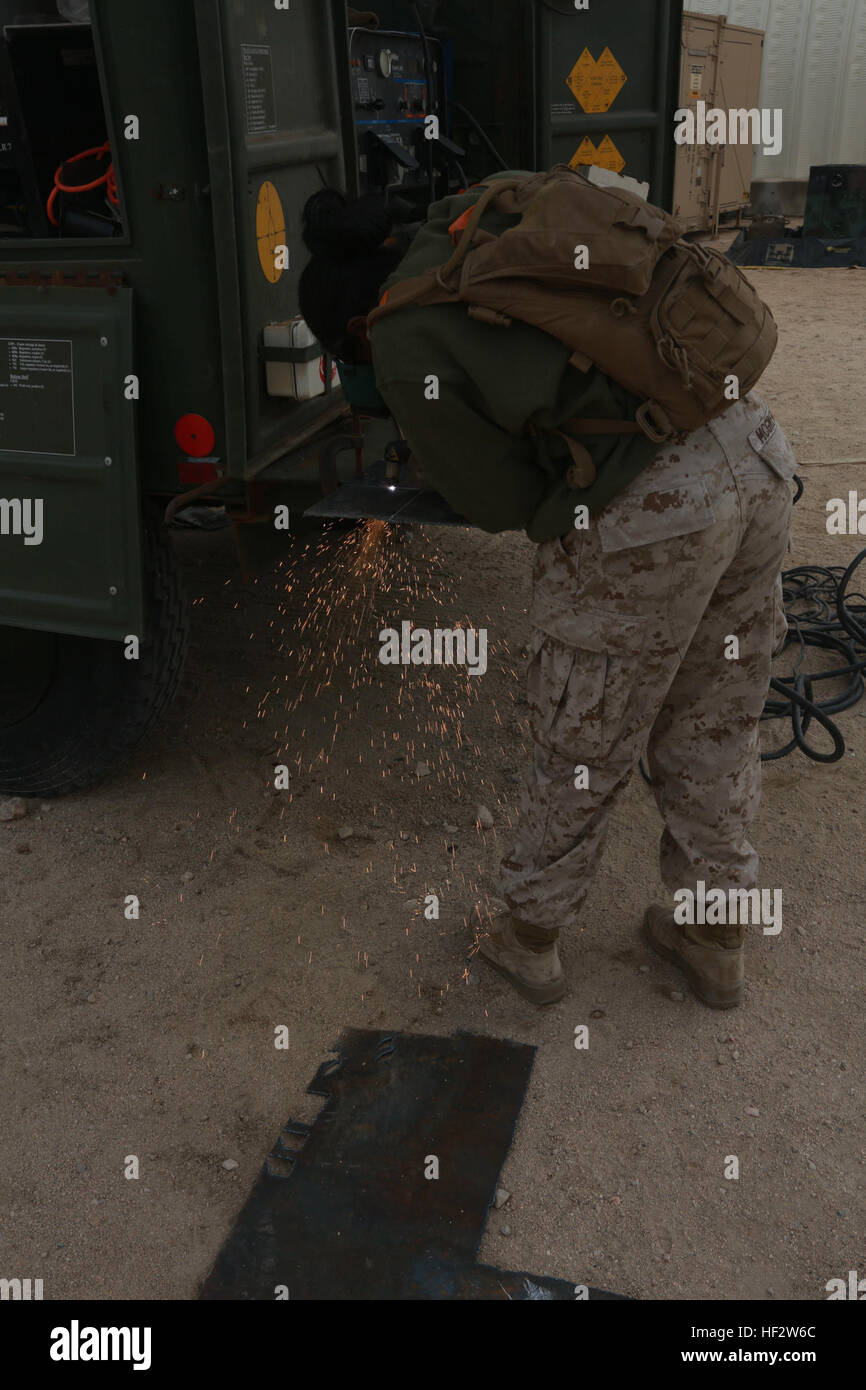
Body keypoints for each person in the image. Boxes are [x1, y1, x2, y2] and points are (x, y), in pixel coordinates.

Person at [298, 175, 796, 1011]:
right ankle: (715, 937)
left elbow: (492, 503)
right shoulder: (478, 218)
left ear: (356, 326)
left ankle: (530, 940)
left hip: (657, 512)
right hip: (752, 446)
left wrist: (559, 490)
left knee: (584, 733)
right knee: (716, 713)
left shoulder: (404, 334)